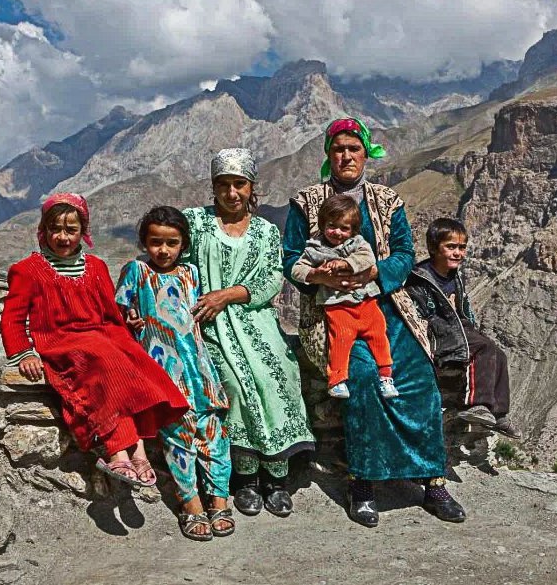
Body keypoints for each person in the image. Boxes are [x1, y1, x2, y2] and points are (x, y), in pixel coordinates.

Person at [283, 117, 466, 527]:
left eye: (354, 149)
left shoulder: (388, 201)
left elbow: (403, 253)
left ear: (366, 154)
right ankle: (362, 481)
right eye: (338, 150)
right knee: (362, 376)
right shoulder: (306, 202)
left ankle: (432, 480)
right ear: (329, 156)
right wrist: (318, 276)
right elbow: (290, 257)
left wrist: (372, 275)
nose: (346, 156)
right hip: (329, 311)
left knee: (418, 374)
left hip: (386, 307)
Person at [0, 193, 188, 489]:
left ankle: (136, 450)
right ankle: (119, 450)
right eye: (55, 229)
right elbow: (12, 319)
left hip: (100, 335)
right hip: (60, 341)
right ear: (44, 230)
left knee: (133, 362)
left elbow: (109, 314)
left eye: (71, 230)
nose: (63, 237)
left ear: (82, 232)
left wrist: (127, 332)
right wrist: (24, 353)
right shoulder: (27, 271)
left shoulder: (97, 267)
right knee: (106, 361)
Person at [182, 148, 315, 518]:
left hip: (255, 319)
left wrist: (227, 295)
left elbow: (272, 277)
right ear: (213, 188)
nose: (231, 193)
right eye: (223, 185)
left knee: (280, 377)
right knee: (236, 384)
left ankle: (277, 477)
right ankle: (247, 479)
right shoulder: (195, 223)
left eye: (239, 184)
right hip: (210, 324)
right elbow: (170, 254)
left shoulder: (266, 231)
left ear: (251, 187)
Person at [115, 206, 234, 542]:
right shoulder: (136, 271)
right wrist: (131, 321)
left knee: (214, 435)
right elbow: (119, 313)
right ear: (144, 242)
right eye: (155, 242)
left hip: (199, 369)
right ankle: (191, 504)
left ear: (183, 244)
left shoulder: (191, 273)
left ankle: (219, 500)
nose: (163, 251)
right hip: (163, 372)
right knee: (178, 438)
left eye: (172, 243)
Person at [405, 218, 522, 440]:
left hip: (456, 327)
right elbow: (420, 315)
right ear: (433, 248)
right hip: (438, 333)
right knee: (483, 348)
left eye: (462, 247)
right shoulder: (420, 279)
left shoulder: (453, 277)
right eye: (451, 247)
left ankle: (499, 414)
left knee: (499, 354)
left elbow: (462, 310)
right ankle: (477, 403)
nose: (458, 253)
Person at [290, 194, 397, 399]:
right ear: (322, 224)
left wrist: (347, 264)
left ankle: (385, 375)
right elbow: (297, 269)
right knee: (341, 338)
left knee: (378, 333)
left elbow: (368, 258)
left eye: (344, 228)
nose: (337, 232)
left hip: (365, 302)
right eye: (332, 226)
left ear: (353, 230)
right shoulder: (314, 249)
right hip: (336, 305)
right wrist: (315, 275)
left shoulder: (358, 244)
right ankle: (337, 379)